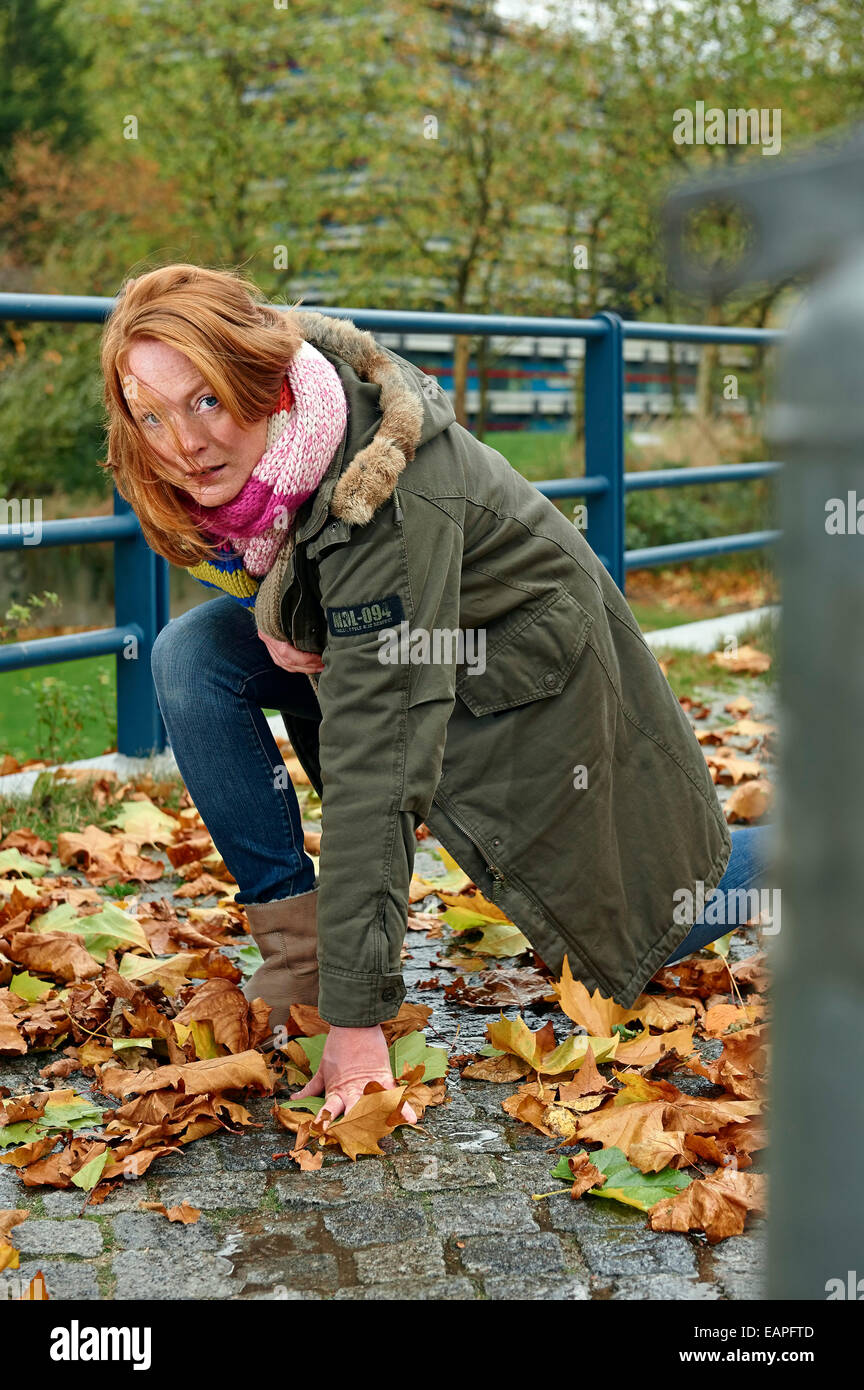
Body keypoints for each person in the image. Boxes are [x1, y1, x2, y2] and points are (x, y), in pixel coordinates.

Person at [99, 263, 774, 1130]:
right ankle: (298, 960)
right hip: (417, 655)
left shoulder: (385, 494)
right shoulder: (285, 457)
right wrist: (279, 606)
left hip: (531, 692)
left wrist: (355, 1027)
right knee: (195, 654)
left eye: (204, 402)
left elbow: (379, 754)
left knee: (649, 926)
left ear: (258, 380)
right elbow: (321, 583)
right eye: (151, 415)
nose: (183, 444)